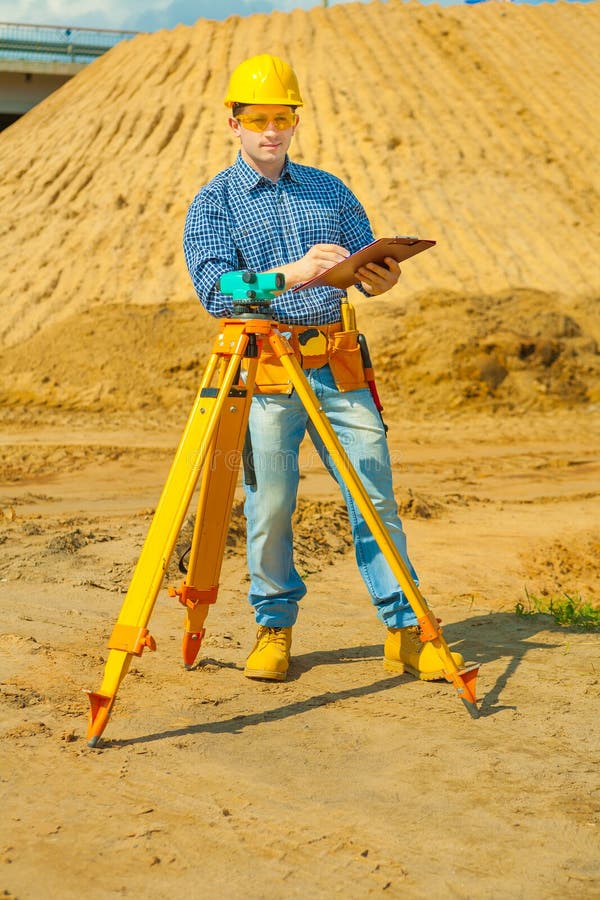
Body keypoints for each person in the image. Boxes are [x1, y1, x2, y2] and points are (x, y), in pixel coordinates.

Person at [183, 53, 463, 683]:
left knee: (375, 496)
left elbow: (361, 270)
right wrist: (293, 273)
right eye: (257, 119)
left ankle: (405, 631)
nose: (271, 131)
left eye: (283, 117)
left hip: (336, 363)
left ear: (295, 120)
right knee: (272, 503)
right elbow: (215, 290)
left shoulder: (330, 190)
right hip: (268, 375)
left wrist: (378, 278)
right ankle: (273, 628)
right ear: (233, 123)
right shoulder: (213, 205)